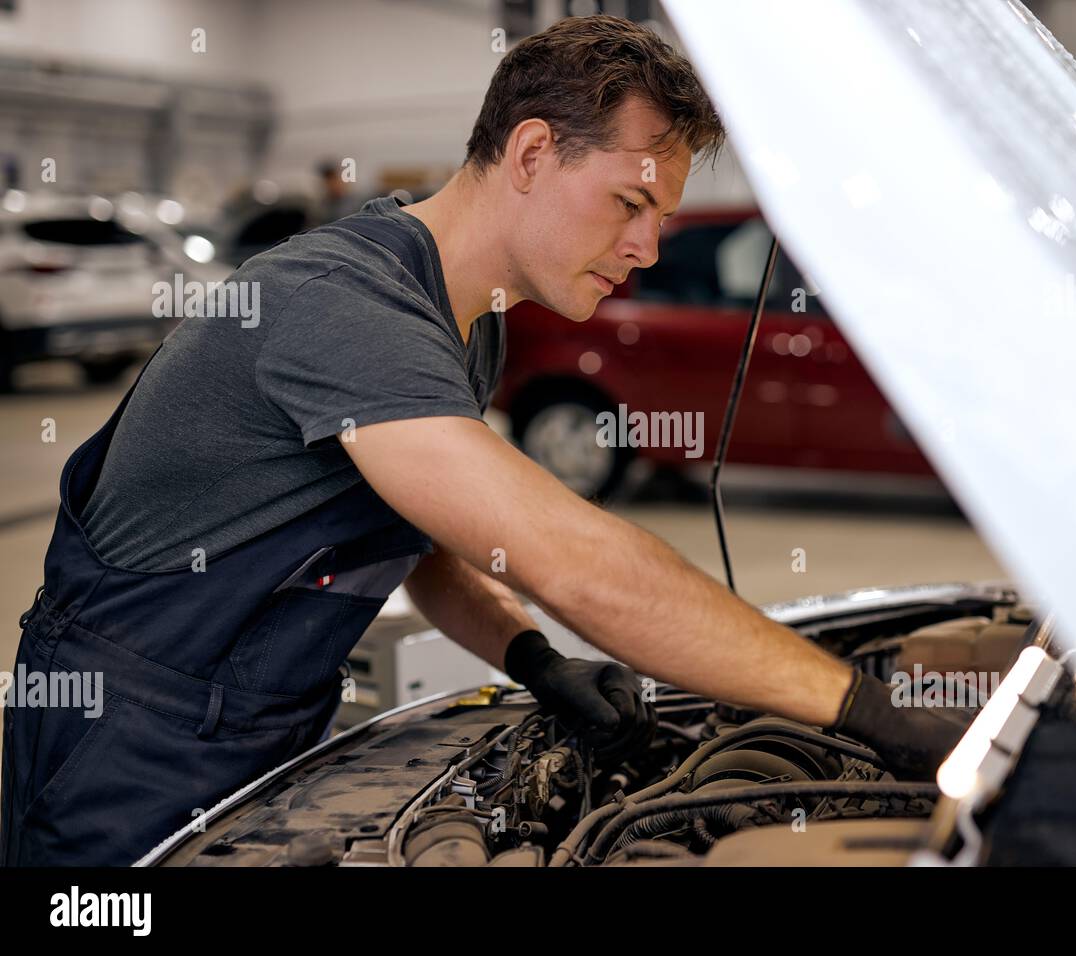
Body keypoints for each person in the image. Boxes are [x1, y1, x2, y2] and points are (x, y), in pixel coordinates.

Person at [0, 14, 961, 867]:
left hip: (265, 736)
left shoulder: (469, 321)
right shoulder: (339, 307)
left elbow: (420, 541)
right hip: (122, 750)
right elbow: (583, 568)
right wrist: (866, 711)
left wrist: (533, 658)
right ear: (533, 152)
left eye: (662, 219)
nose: (649, 249)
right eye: (631, 206)